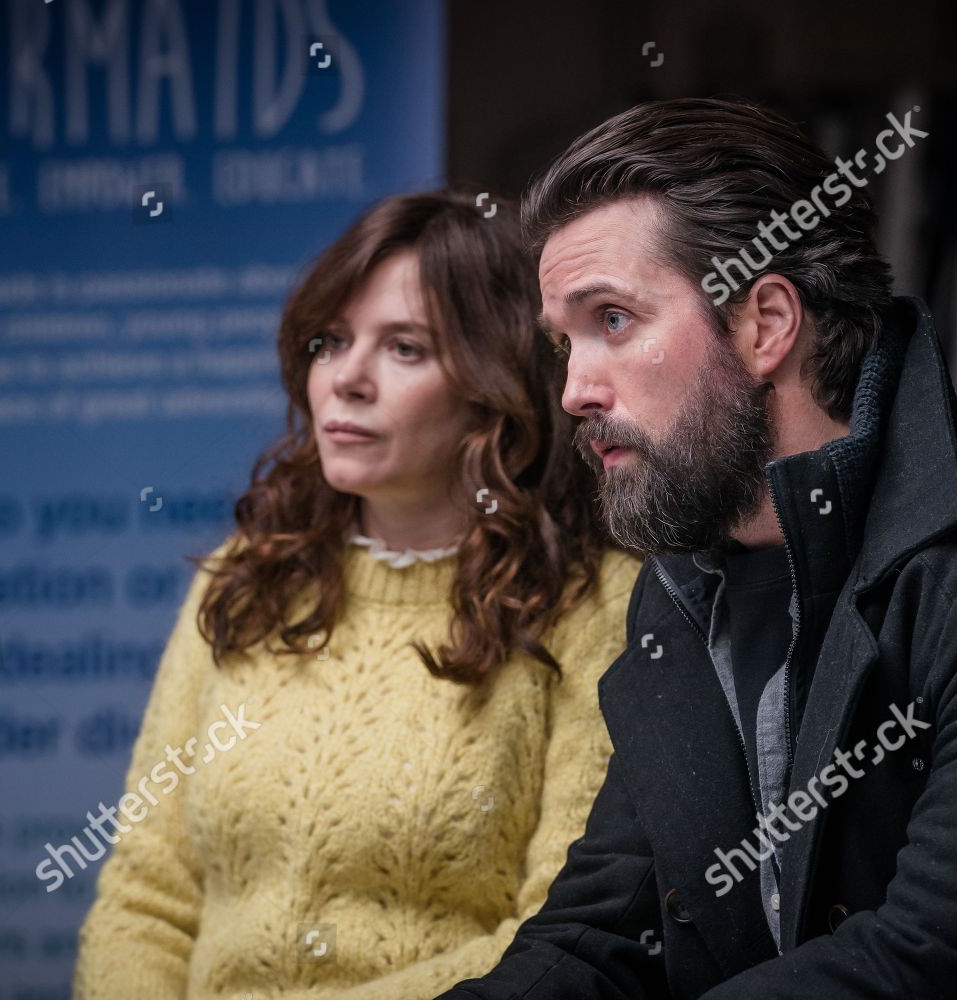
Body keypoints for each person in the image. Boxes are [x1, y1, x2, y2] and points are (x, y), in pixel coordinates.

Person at [439, 98, 957, 999]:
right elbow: (596, 937)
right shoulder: (686, 585)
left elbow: (928, 963)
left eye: (613, 321)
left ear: (766, 324)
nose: (576, 387)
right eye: (563, 343)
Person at [73, 190, 642, 999]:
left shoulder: (595, 605)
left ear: (493, 383)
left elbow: (559, 933)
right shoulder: (248, 574)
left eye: (404, 349)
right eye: (330, 342)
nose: (347, 379)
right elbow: (146, 896)